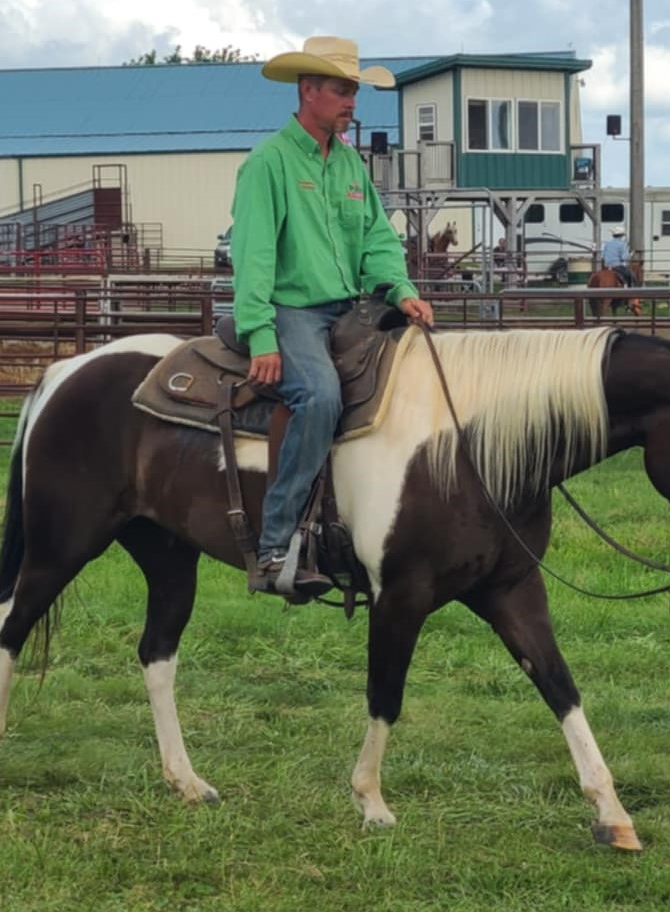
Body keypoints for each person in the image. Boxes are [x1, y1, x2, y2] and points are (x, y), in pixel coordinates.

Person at [230, 35, 434, 600]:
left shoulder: (348, 163)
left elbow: (376, 237)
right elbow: (253, 256)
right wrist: (261, 333)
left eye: (354, 91)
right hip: (290, 309)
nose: (352, 102)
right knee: (318, 396)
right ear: (308, 91)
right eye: (343, 91)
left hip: (351, 307)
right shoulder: (268, 163)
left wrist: (401, 288)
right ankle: (275, 546)